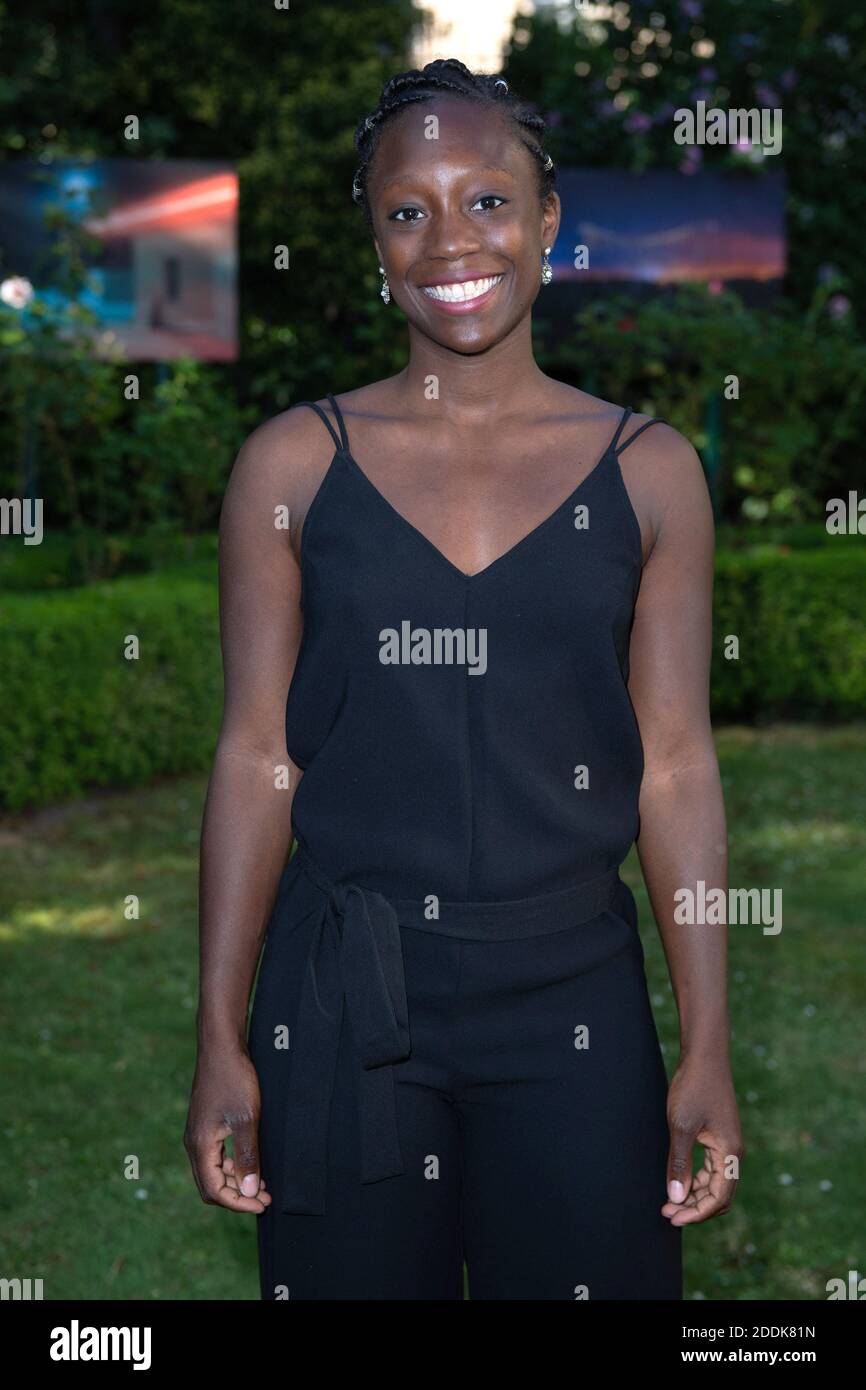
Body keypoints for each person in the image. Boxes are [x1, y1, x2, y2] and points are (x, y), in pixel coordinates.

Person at [184, 58, 743, 1301]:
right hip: (342, 1004)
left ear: (548, 221)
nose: (450, 237)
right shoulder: (290, 462)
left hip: (570, 1005)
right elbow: (255, 756)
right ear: (371, 243)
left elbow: (673, 764)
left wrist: (703, 1040)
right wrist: (220, 1035)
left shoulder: (648, 473)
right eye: (406, 208)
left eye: (487, 199)